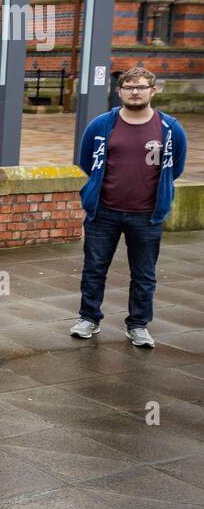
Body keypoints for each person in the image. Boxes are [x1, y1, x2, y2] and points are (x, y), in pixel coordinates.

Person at [71, 67, 188, 348]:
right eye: (129, 87)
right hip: (104, 212)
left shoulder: (170, 128)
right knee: (94, 268)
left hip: (147, 215)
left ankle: (137, 325)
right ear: (120, 91)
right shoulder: (101, 125)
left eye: (141, 86)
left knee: (144, 273)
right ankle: (89, 318)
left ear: (153, 91)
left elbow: (176, 168)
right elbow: (87, 161)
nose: (135, 91)